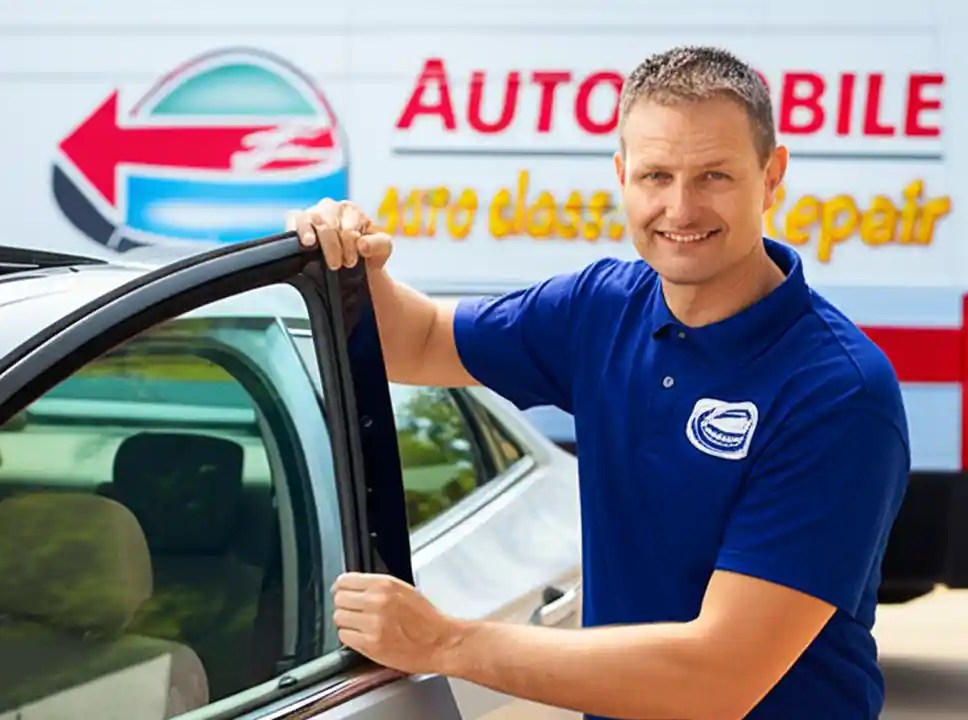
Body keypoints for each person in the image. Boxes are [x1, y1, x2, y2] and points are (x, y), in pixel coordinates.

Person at [287, 45, 910, 720]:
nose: (680, 206)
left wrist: (446, 644)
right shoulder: (602, 307)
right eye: (655, 175)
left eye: (714, 176)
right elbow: (423, 341)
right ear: (621, 175)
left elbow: (719, 678)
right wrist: (352, 263)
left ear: (772, 173)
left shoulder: (838, 392)